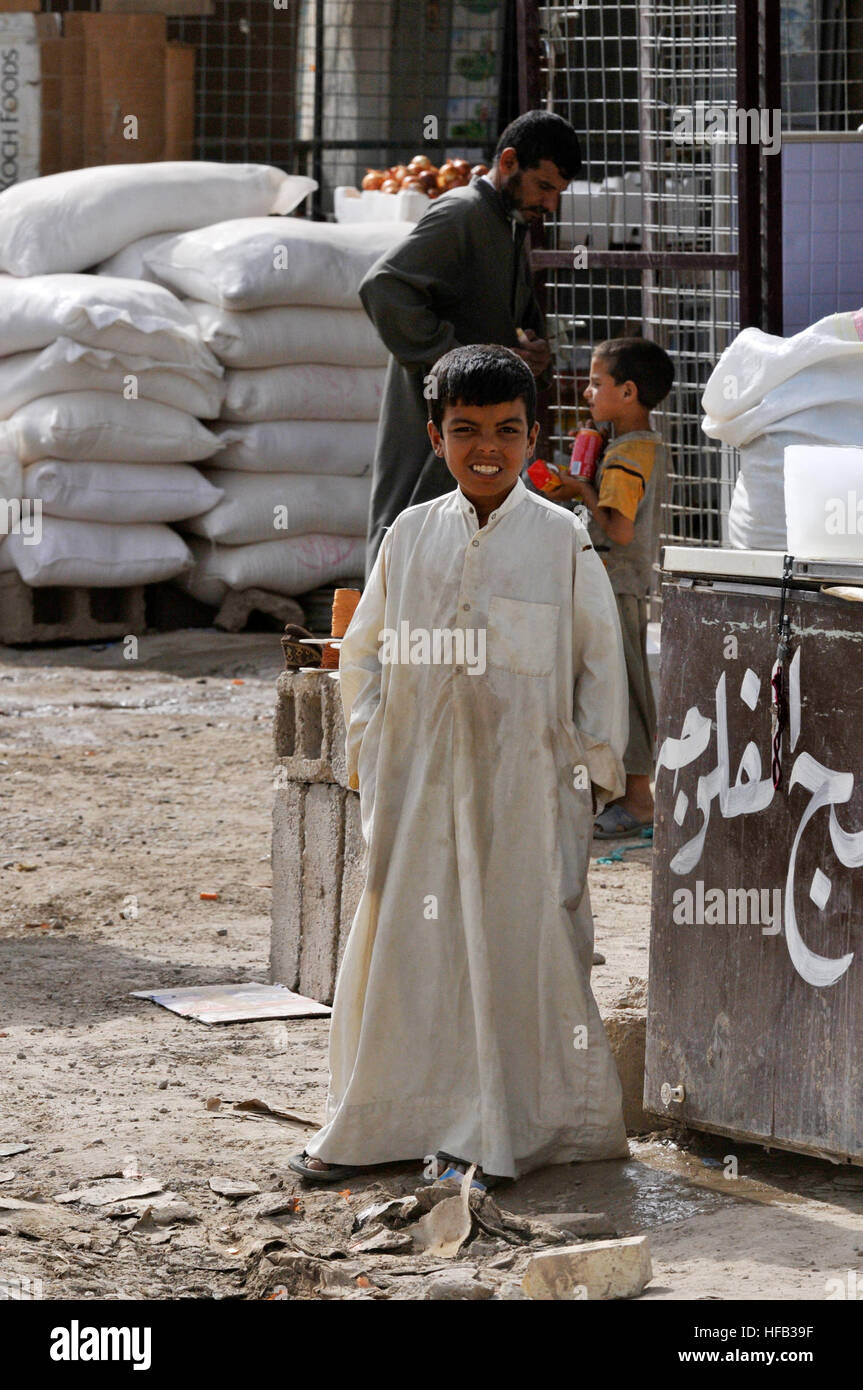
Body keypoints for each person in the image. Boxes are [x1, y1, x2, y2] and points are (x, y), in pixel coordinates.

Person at [288, 344, 630, 1188]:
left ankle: (518, 1132)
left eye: (507, 431)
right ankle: (377, 1130)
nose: (488, 448)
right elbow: (361, 655)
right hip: (416, 787)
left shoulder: (561, 540)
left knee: (524, 949)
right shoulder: (409, 535)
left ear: (534, 436)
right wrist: (373, 750)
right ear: (435, 436)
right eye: (466, 430)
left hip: (525, 789)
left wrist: (582, 777)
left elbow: (599, 669)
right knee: (409, 952)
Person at [358, 109, 583, 578]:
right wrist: (455, 361)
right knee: (410, 532)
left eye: (556, 193)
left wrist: (535, 354)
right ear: (508, 161)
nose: (549, 205)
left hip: (475, 420)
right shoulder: (462, 213)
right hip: (433, 413)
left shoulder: (508, 225)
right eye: (543, 187)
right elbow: (384, 287)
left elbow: (513, 322)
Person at [545, 337, 674, 838]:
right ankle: (623, 792)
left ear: (628, 392)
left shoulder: (628, 453)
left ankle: (639, 798)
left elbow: (619, 530)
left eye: (597, 383)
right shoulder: (623, 446)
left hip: (618, 586)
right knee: (613, 686)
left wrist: (581, 490)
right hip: (615, 585)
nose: (587, 393)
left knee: (625, 689)